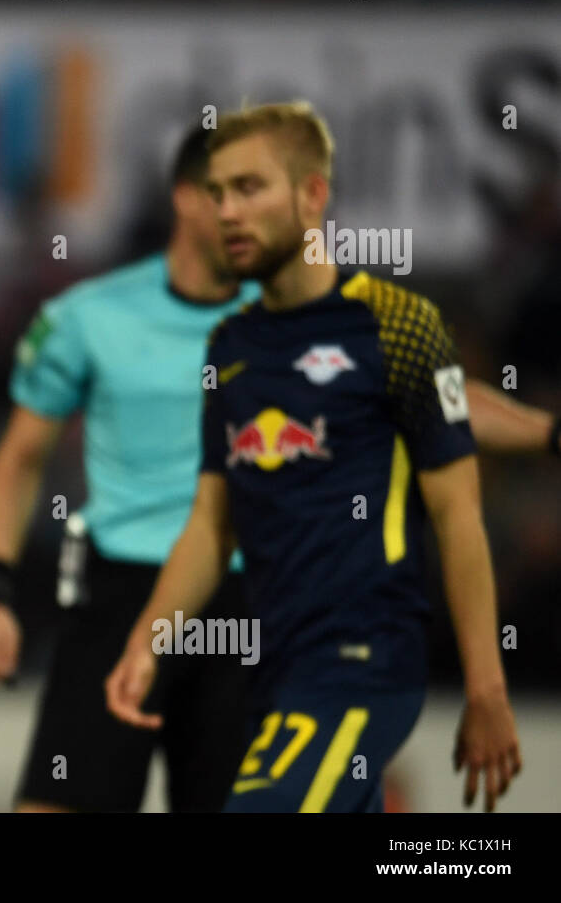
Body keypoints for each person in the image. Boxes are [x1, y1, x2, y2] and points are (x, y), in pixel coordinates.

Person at [106, 102, 524, 812]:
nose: (228, 212)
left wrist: (486, 689)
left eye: (249, 188)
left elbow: (458, 517)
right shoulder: (231, 348)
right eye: (216, 193)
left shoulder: (401, 328)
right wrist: (146, 640)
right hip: (276, 674)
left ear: (313, 194)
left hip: (363, 661)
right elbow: (213, 525)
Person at [0, 126, 261, 812]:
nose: (253, 213)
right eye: (234, 193)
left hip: (246, 606)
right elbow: (18, 460)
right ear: (187, 199)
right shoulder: (87, 316)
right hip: (117, 597)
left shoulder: (292, 322)